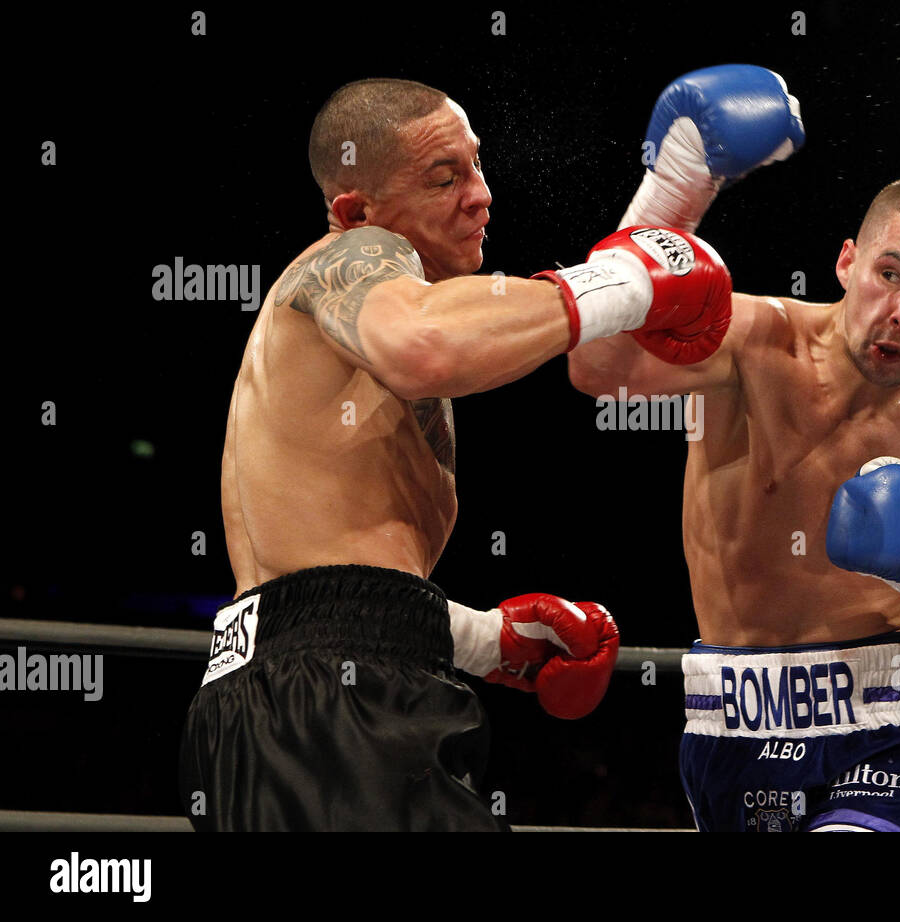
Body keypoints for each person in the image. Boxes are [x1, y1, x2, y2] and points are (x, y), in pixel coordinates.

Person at [178, 77, 735, 831]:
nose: (481, 195)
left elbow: (320, 590)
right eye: (445, 178)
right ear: (354, 210)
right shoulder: (353, 259)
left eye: (476, 166)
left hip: (284, 699)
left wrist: (487, 641)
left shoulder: (358, 329)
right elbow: (425, 347)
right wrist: (628, 281)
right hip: (332, 706)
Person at [570, 93, 900, 830]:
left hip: (891, 728)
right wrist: (672, 191)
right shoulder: (754, 343)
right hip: (732, 725)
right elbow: (599, 369)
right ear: (846, 262)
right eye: (890, 274)